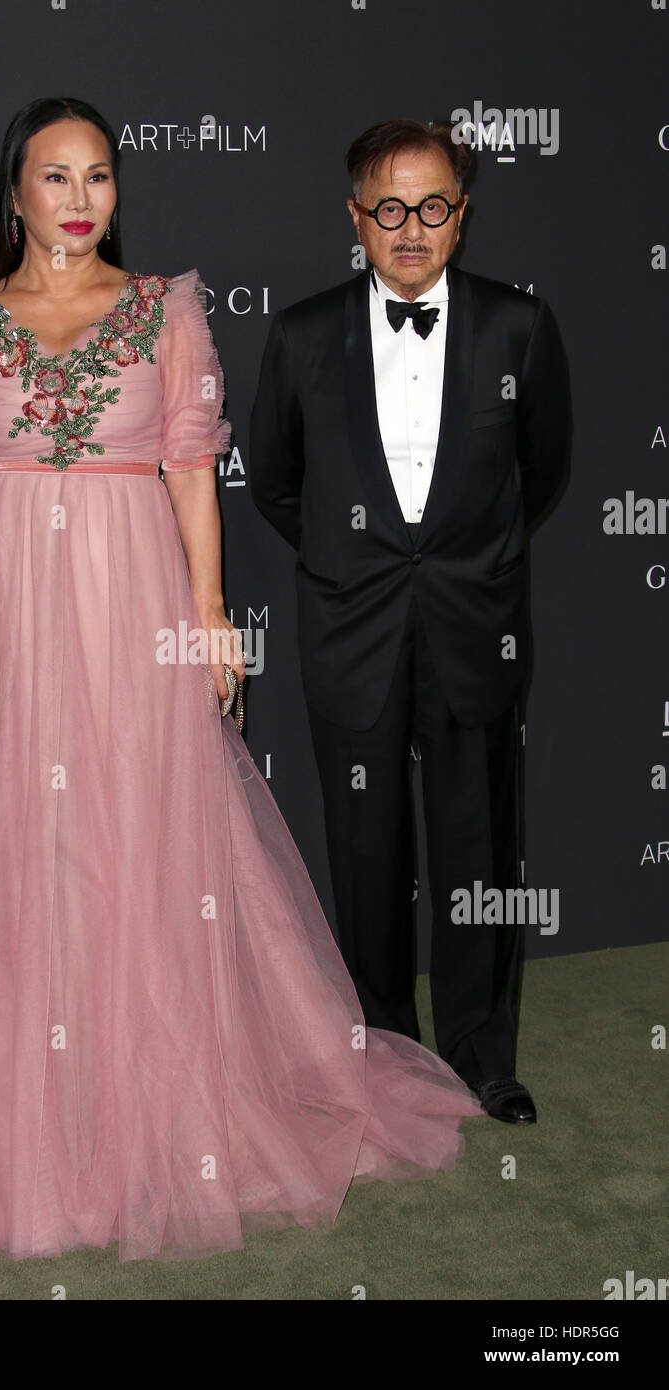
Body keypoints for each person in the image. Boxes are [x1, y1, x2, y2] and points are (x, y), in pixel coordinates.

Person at [0, 99, 482, 1266]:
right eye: (56, 177)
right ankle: (8, 1119)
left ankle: (153, 1112)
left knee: (136, 844)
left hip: (133, 609)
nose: (81, 200)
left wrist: (206, 618)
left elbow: (192, 474)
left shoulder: (164, 311)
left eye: (98, 177)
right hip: (3, 615)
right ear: (15, 194)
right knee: (1, 853)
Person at [250, 118, 570, 1126]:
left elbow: (542, 469)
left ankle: (484, 1057)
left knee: (479, 857)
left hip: (475, 626)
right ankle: (384, 1059)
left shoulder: (517, 326)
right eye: (388, 209)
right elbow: (275, 481)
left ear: (460, 214)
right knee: (367, 857)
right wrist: (360, 562)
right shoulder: (302, 335)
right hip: (355, 630)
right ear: (355, 216)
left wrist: (464, 562)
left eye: (432, 206)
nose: (410, 228)